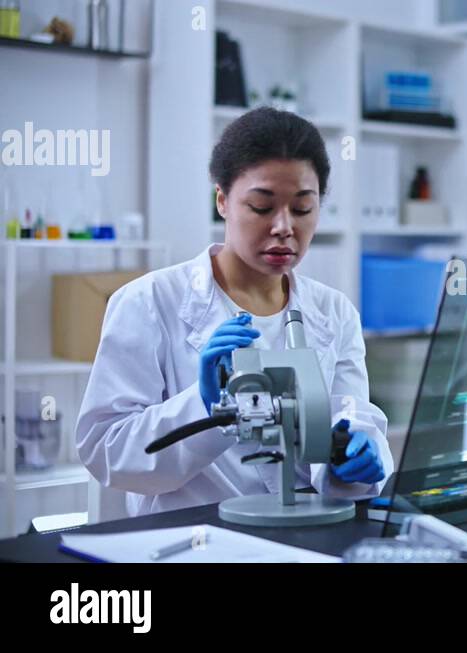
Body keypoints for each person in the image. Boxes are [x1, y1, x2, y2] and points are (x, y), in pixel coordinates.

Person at [76, 107, 392, 516]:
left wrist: (352, 461)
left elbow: (347, 420)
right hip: (190, 543)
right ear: (222, 201)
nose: (283, 227)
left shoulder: (334, 312)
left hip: (304, 538)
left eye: (302, 209)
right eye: (261, 207)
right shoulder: (149, 302)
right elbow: (105, 451)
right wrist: (202, 406)